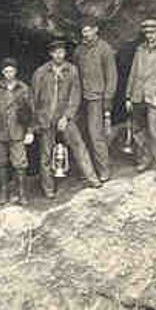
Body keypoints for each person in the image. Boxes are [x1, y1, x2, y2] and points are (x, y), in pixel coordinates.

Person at [31, 39, 102, 198]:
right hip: (46, 118)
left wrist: (67, 116)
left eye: (62, 52)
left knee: (79, 146)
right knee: (45, 154)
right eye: (56, 52)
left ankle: (92, 178)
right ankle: (48, 188)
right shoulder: (41, 72)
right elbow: (34, 98)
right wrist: (37, 120)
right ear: (51, 54)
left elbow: (75, 96)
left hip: (65, 117)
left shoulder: (72, 70)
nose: (59, 55)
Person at [125, 18, 156, 171]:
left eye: (152, 32)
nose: (149, 35)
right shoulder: (140, 49)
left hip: (154, 96)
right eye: (146, 32)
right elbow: (133, 73)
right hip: (137, 95)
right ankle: (145, 159)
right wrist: (128, 95)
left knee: (154, 130)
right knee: (137, 130)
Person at [72, 21, 117, 183]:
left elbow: (111, 77)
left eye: (88, 30)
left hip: (97, 98)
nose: (86, 33)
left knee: (96, 134)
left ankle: (104, 170)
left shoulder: (105, 49)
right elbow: (75, 74)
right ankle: (86, 170)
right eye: (83, 30)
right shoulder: (79, 50)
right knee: (82, 133)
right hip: (81, 98)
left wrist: (108, 99)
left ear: (96, 29)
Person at [0, 57, 34, 205]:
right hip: (1, 133)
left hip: (18, 132)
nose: (9, 74)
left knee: (20, 164)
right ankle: (4, 193)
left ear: (16, 71)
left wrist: (30, 131)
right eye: (6, 71)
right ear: (2, 72)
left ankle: (22, 193)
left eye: (11, 71)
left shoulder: (24, 88)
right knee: (2, 163)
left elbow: (31, 111)